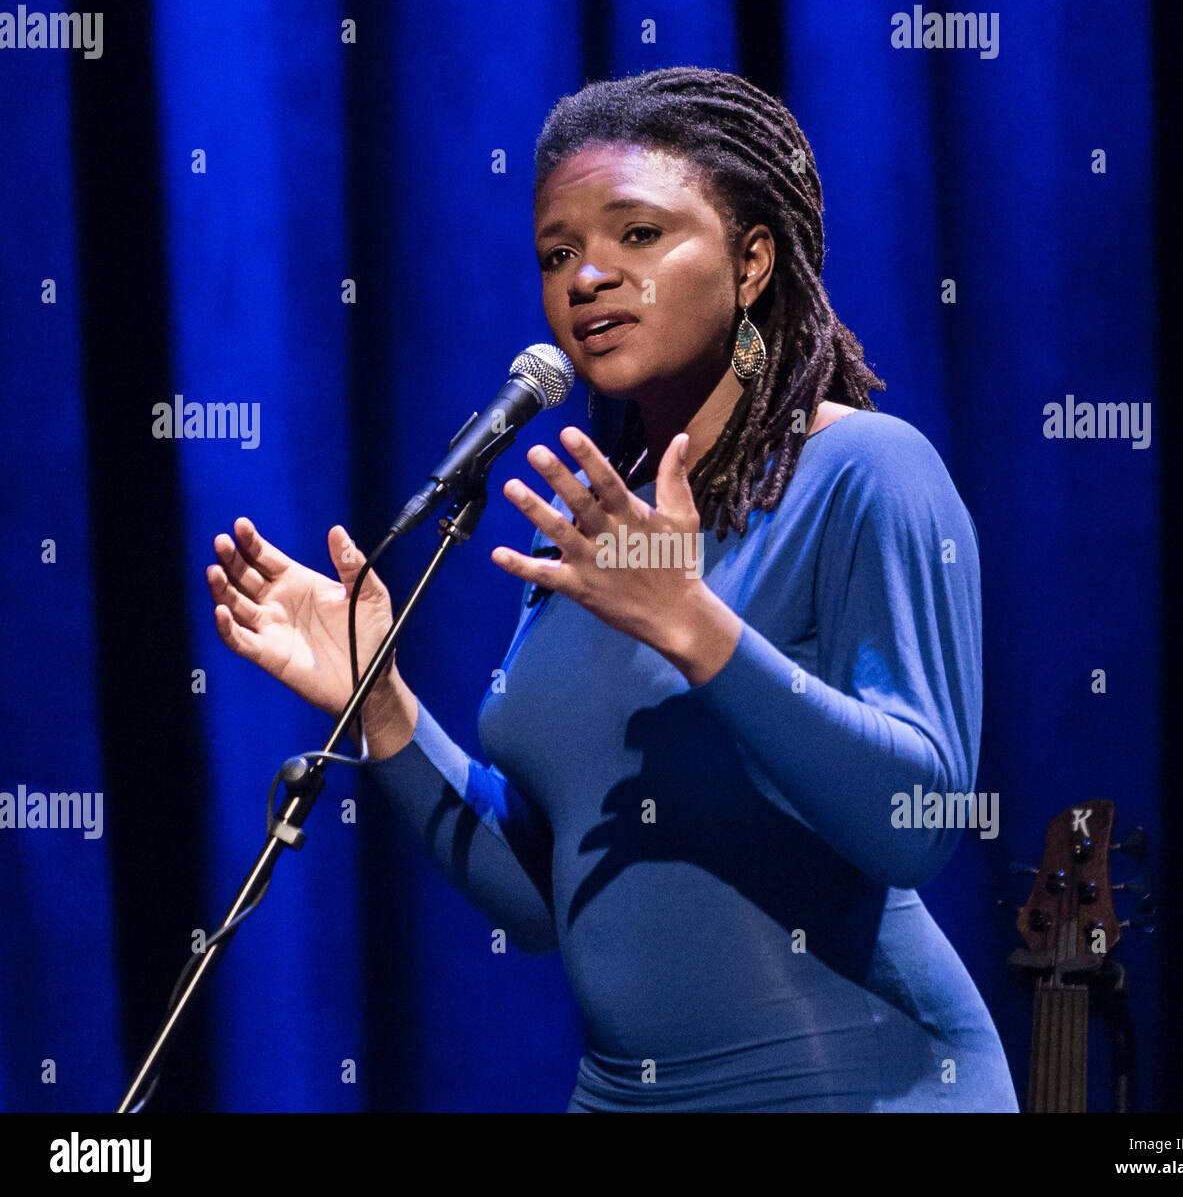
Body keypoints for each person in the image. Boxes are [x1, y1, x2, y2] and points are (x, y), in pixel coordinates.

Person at [207, 66, 1018, 1112]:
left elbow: (919, 822)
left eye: (637, 235)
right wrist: (386, 710)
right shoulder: (600, 522)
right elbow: (548, 900)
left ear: (751, 261)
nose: (588, 276)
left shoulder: (865, 472)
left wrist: (697, 630)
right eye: (558, 252)